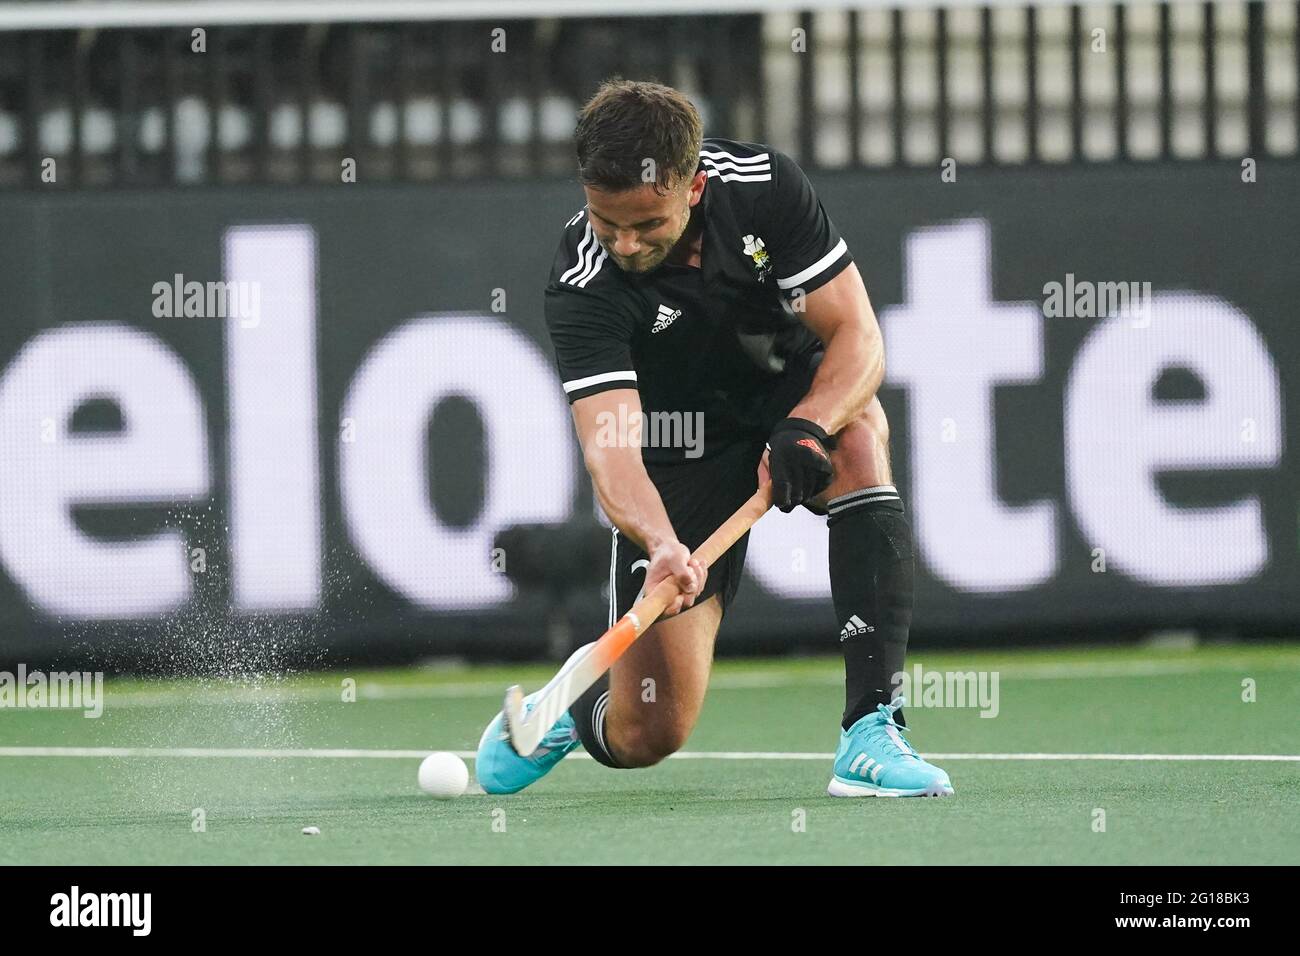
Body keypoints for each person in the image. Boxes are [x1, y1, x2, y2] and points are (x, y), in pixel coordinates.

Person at [477, 79, 952, 798]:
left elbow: (859, 336)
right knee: (649, 731)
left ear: (693, 186)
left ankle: (872, 728)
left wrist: (807, 425)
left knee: (859, 437)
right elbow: (612, 450)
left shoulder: (764, 190)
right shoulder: (583, 281)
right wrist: (662, 542)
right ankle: (579, 708)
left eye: (645, 224)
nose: (625, 244)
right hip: (675, 450)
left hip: (792, 395)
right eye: (607, 223)